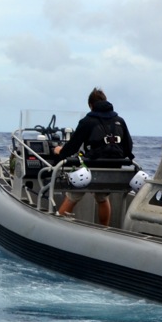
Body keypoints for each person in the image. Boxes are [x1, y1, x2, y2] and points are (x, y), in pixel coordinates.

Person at [54, 88, 134, 226]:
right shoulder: (119, 120)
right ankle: (104, 228)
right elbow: (128, 147)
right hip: (115, 170)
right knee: (102, 198)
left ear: (91, 105)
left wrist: (59, 152)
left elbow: (73, 146)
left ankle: (56, 226)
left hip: (93, 168)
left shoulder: (88, 121)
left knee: (73, 195)